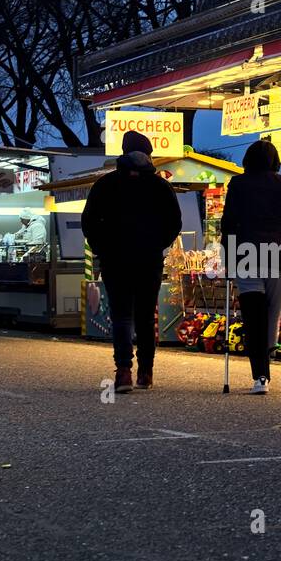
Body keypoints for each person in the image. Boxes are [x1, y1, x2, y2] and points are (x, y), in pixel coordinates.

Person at [81, 130, 182, 392]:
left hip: (115, 260)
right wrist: (157, 244)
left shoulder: (105, 185)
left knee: (122, 315)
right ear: (148, 155)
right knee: (146, 316)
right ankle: (145, 373)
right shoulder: (160, 186)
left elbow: (89, 222)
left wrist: (102, 248)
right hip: (149, 260)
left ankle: (123, 371)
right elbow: (174, 222)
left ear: (123, 153)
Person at [220, 139, 281, 394]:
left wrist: (227, 257)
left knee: (253, 315)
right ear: (275, 160)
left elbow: (228, 223)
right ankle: (266, 363)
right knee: (272, 315)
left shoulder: (237, 184)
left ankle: (260, 375)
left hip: (246, 257)